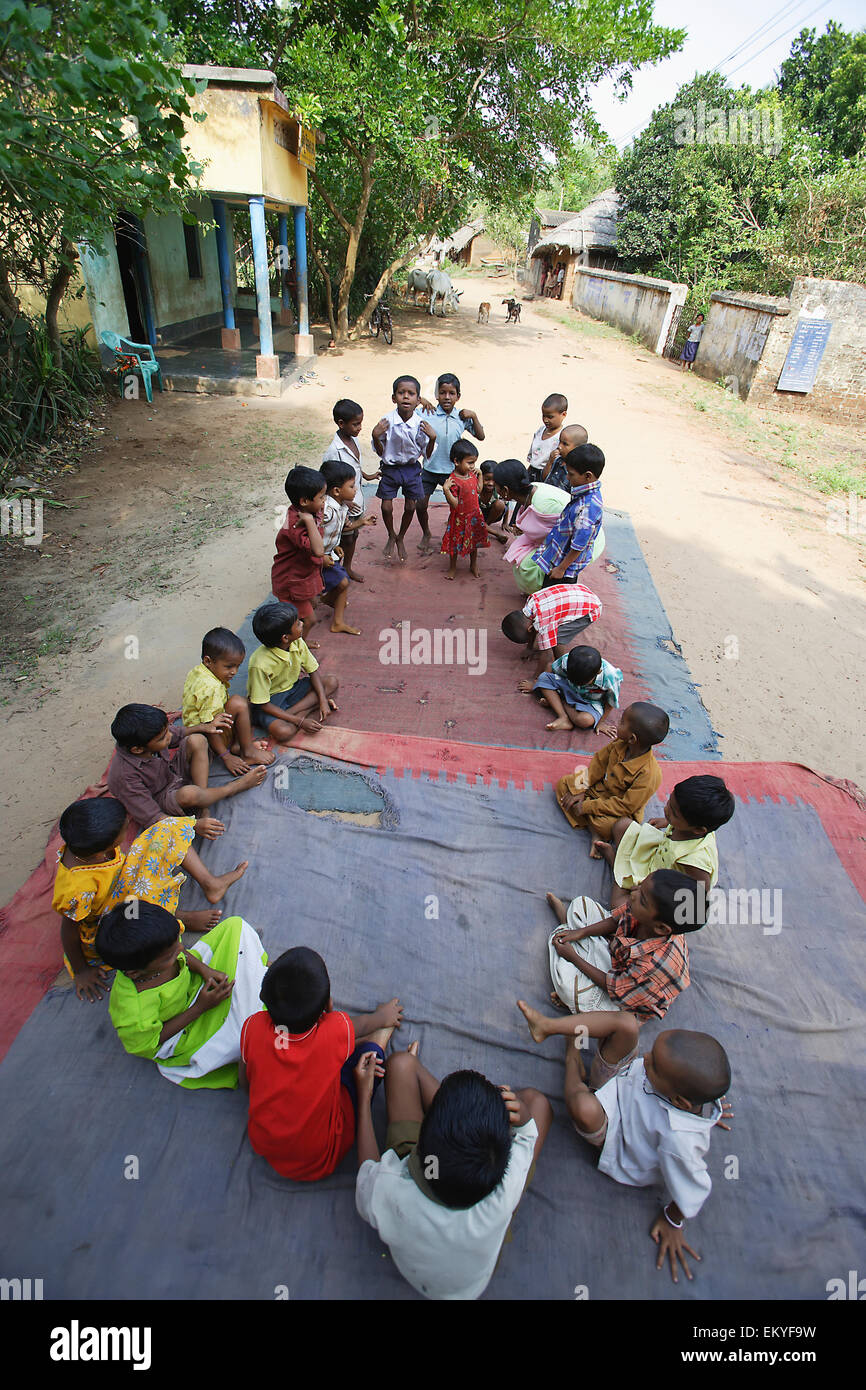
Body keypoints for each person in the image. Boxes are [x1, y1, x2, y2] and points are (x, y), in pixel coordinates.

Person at [354, 1045, 552, 1300]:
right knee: (538, 1103)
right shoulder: (503, 1194)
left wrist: (363, 1098)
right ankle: (465, 1114)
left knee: (401, 1065)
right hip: (470, 1284)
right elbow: (527, 1135)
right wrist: (523, 1119)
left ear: (422, 1131)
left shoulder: (390, 1188)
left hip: (413, 1255)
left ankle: (456, 1112)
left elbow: (365, 1174)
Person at [563, 1029, 732, 1283]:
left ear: (680, 1102)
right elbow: (697, 1094)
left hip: (618, 1133)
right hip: (624, 1085)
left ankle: (571, 1058)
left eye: (653, 1065)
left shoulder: (679, 1141)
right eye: (652, 1054)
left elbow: (694, 1190)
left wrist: (672, 1221)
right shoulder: (684, 1094)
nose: (645, 1056)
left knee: (583, 1108)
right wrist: (707, 1111)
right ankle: (571, 1032)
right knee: (626, 1026)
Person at [53, 797, 249, 1002]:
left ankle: (210, 884)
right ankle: (178, 917)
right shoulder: (75, 890)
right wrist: (81, 970)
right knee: (149, 926)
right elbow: (69, 932)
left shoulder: (89, 846)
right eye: (125, 829)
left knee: (166, 829)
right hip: (111, 919)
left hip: (122, 887)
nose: (129, 825)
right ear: (104, 850)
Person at [238, 945, 404, 1181]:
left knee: (338, 1047)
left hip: (267, 1144)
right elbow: (365, 1022)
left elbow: (245, 1082)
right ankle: (375, 1041)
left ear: (264, 996)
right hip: (322, 1155)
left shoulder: (251, 1027)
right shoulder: (336, 1028)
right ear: (328, 1006)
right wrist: (383, 1016)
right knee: (369, 1058)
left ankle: (356, 1043)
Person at [95, 900, 269, 1088]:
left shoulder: (163, 946)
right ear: (134, 973)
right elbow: (151, 1042)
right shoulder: (133, 1009)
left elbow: (182, 953)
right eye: (170, 956)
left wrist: (205, 970)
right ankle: (255, 988)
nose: (179, 949)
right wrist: (200, 1007)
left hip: (196, 988)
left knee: (236, 926)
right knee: (243, 1035)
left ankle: (251, 988)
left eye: (177, 940)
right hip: (186, 1031)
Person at [532, 869, 706, 1022]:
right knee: (581, 905)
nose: (633, 892)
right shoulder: (644, 911)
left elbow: (612, 987)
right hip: (618, 955)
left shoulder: (649, 967)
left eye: (642, 899)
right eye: (640, 885)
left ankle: (565, 926)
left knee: (569, 989)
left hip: (626, 996)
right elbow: (616, 919)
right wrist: (581, 933)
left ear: (661, 928)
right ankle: (571, 931)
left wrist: (574, 958)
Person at [106, 703, 267, 841]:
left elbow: (178, 734)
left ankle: (203, 805)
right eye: (162, 738)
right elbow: (153, 818)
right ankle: (237, 786)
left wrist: (204, 727)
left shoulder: (150, 738)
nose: (169, 736)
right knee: (189, 794)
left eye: (167, 730)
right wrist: (193, 825)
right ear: (137, 749)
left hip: (171, 772)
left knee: (197, 740)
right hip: (161, 796)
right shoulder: (124, 777)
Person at [596, 775, 735, 909]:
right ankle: (623, 871)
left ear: (698, 829)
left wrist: (657, 896)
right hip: (656, 853)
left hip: (661, 881)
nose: (665, 809)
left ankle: (616, 864)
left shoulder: (695, 861)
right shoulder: (697, 823)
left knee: (618, 904)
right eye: (669, 803)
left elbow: (699, 893)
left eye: (673, 813)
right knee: (622, 825)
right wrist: (668, 821)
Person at [555, 701, 668, 843]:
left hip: (617, 810)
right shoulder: (619, 745)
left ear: (632, 738)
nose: (617, 724)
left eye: (621, 723)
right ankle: (593, 829)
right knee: (564, 784)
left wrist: (587, 807)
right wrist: (582, 789)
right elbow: (597, 765)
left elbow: (625, 806)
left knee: (607, 826)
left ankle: (594, 828)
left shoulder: (650, 774)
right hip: (598, 791)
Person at [181, 627, 275, 775]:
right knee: (239, 703)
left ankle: (240, 746)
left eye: (237, 666)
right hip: (206, 741)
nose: (234, 672)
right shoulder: (210, 688)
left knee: (241, 702)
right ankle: (248, 752)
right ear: (208, 661)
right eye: (229, 666)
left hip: (201, 728)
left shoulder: (199, 671)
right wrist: (226, 757)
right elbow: (211, 728)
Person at [246, 600, 339, 743]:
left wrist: (322, 700)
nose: (302, 623)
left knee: (331, 682)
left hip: (293, 689)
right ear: (285, 638)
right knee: (284, 732)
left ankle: (290, 714)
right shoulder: (260, 664)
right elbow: (262, 703)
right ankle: (302, 711)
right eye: (297, 623)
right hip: (271, 701)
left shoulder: (297, 642)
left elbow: (313, 671)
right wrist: (300, 721)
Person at [415, 373, 485, 553]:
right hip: (430, 468)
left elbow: (480, 436)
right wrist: (422, 400)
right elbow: (408, 404)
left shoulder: (462, 416)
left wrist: (475, 416)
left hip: (454, 472)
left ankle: (454, 533)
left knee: (457, 506)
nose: (447, 397)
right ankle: (426, 533)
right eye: (443, 392)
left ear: (458, 396)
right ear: (437, 394)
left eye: (452, 393)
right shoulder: (427, 412)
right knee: (420, 504)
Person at [371, 375, 436, 562]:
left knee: (411, 505)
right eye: (401, 393)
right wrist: (376, 436)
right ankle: (391, 534)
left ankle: (400, 537)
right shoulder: (386, 421)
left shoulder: (420, 424)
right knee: (386, 506)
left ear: (418, 400)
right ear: (394, 398)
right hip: (390, 469)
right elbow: (380, 452)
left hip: (411, 469)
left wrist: (432, 439)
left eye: (411, 394)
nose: (406, 397)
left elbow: (427, 453)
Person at [322, 399, 381, 581]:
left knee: (353, 535)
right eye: (356, 424)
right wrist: (345, 500)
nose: (360, 428)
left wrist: (368, 476)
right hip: (344, 503)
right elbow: (328, 478)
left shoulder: (353, 440)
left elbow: (352, 469)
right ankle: (337, 571)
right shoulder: (334, 451)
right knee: (343, 537)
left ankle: (347, 567)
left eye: (361, 423)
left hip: (357, 498)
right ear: (341, 424)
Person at [493, 460, 571, 594]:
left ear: (505, 490)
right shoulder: (530, 489)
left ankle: (543, 594)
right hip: (556, 539)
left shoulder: (543, 505)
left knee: (528, 566)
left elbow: (565, 533)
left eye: (496, 486)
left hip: (571, 544)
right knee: (525, 561)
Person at [533, 443, 604, 587]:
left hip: (564, 568)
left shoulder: (587, 508)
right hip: (558, 557)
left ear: (588, 476)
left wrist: (561, 568)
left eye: (571, 474)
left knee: (553, 595)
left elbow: (579, 544)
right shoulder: (583, 492)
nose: (567, 477)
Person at [271, 465, 327, 645]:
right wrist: (310, 522)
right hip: (291, 581)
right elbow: (318, 551)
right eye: (321, 497)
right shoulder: (298, 524)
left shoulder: (306, 509)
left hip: (302, 575)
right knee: (309, 620)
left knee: (309, 609)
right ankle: (296, 651)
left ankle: (300, 642)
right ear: (304, 501)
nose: (325, 501)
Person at [320, 459, 377, 635]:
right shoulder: (326, 510)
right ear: (337, 490)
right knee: (341, 582)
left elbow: (344, 527)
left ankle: (332, 609)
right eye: (352, 486)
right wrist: (321, 554)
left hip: (328, 553)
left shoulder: (342, 506)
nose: (356, 490)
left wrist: (362, 522)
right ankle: (331, 609)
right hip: (317, 556)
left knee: (341, 582)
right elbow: (311, 532)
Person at [501, 582, 601, 676]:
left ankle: (561, 665)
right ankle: (558, 660)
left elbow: (547, 655)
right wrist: (529, 648)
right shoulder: (530, 605)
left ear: (530, 629)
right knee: (551, 635)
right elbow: (533, 631)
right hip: (581, 592)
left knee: (557, 639)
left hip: (591, 609)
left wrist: (535, 678)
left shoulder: (543, 623)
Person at [521, 642, 622, 735]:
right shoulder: (567, 660)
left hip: (590, 701)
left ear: (598, 672)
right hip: (568, 688)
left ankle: (559, 702)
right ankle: (563, 717)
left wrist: (601, 723)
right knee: (543, 677)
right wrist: (536, 684)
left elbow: (610, 703)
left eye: (583, 683)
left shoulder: (610, 677)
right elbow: (550, 667)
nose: (579, 685)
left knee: (584, 721)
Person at [441, 439, 488, 580]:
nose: (473, 466)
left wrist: (480, 475)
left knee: (474, 543)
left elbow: (479, 490)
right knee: (455, 544)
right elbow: (455, 504)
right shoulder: (453, 480)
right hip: (460, 518)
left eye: (474, 462)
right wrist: (446, 490)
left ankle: (473, 565)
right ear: (456, 461)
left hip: (474, 516)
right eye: (470, 462)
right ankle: (453, 567)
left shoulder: (472, 475)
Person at [527, 394, 568, 482]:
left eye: (550, 417)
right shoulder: (540, 430)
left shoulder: (563, 436)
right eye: (544, 416)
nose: (545, 420)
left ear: (563, 414)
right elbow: (533, 458)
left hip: (550, 476)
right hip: (533, 472)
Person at [542, 423, 587, 491]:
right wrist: (550, 462)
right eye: (559, 442)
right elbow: (544, 478)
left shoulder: (576, 470)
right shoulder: (557, 460)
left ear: (578, 448)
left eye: (565, 444)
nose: (559, 446)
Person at [478, 461, 508, 540]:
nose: (491, 483)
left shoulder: (498, 489)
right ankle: (485, 528)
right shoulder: (476, 489)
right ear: (480, 477)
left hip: (491, 516)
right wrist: (498, 534)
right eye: (487, 479)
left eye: (494, 480)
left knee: (500, 504)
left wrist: (505, 522)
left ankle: (485, 526)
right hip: (477, 515)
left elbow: (506, 504)